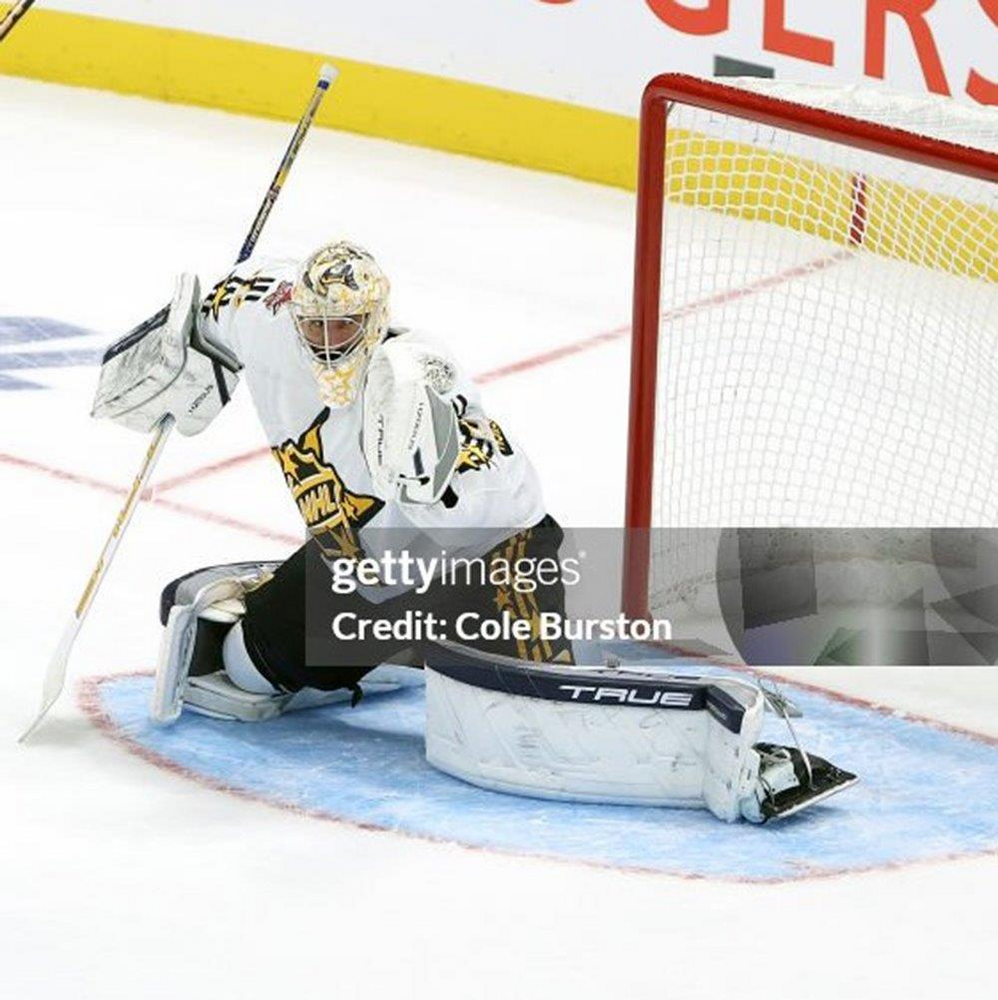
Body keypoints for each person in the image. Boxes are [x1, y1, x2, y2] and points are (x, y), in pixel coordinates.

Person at [94, 240, 575, 720]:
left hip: (485, 555)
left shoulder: (414, 386)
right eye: (314, 325)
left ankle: (420, 641)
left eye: (344, 325)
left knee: (530, 714)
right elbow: (222, 301)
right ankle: (380, 654)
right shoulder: (264, 314)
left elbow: (500, 504)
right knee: (246, 664)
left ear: (375, 320)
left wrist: (428, 482)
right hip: (363, 565)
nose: (327, 341)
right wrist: (181, 354)